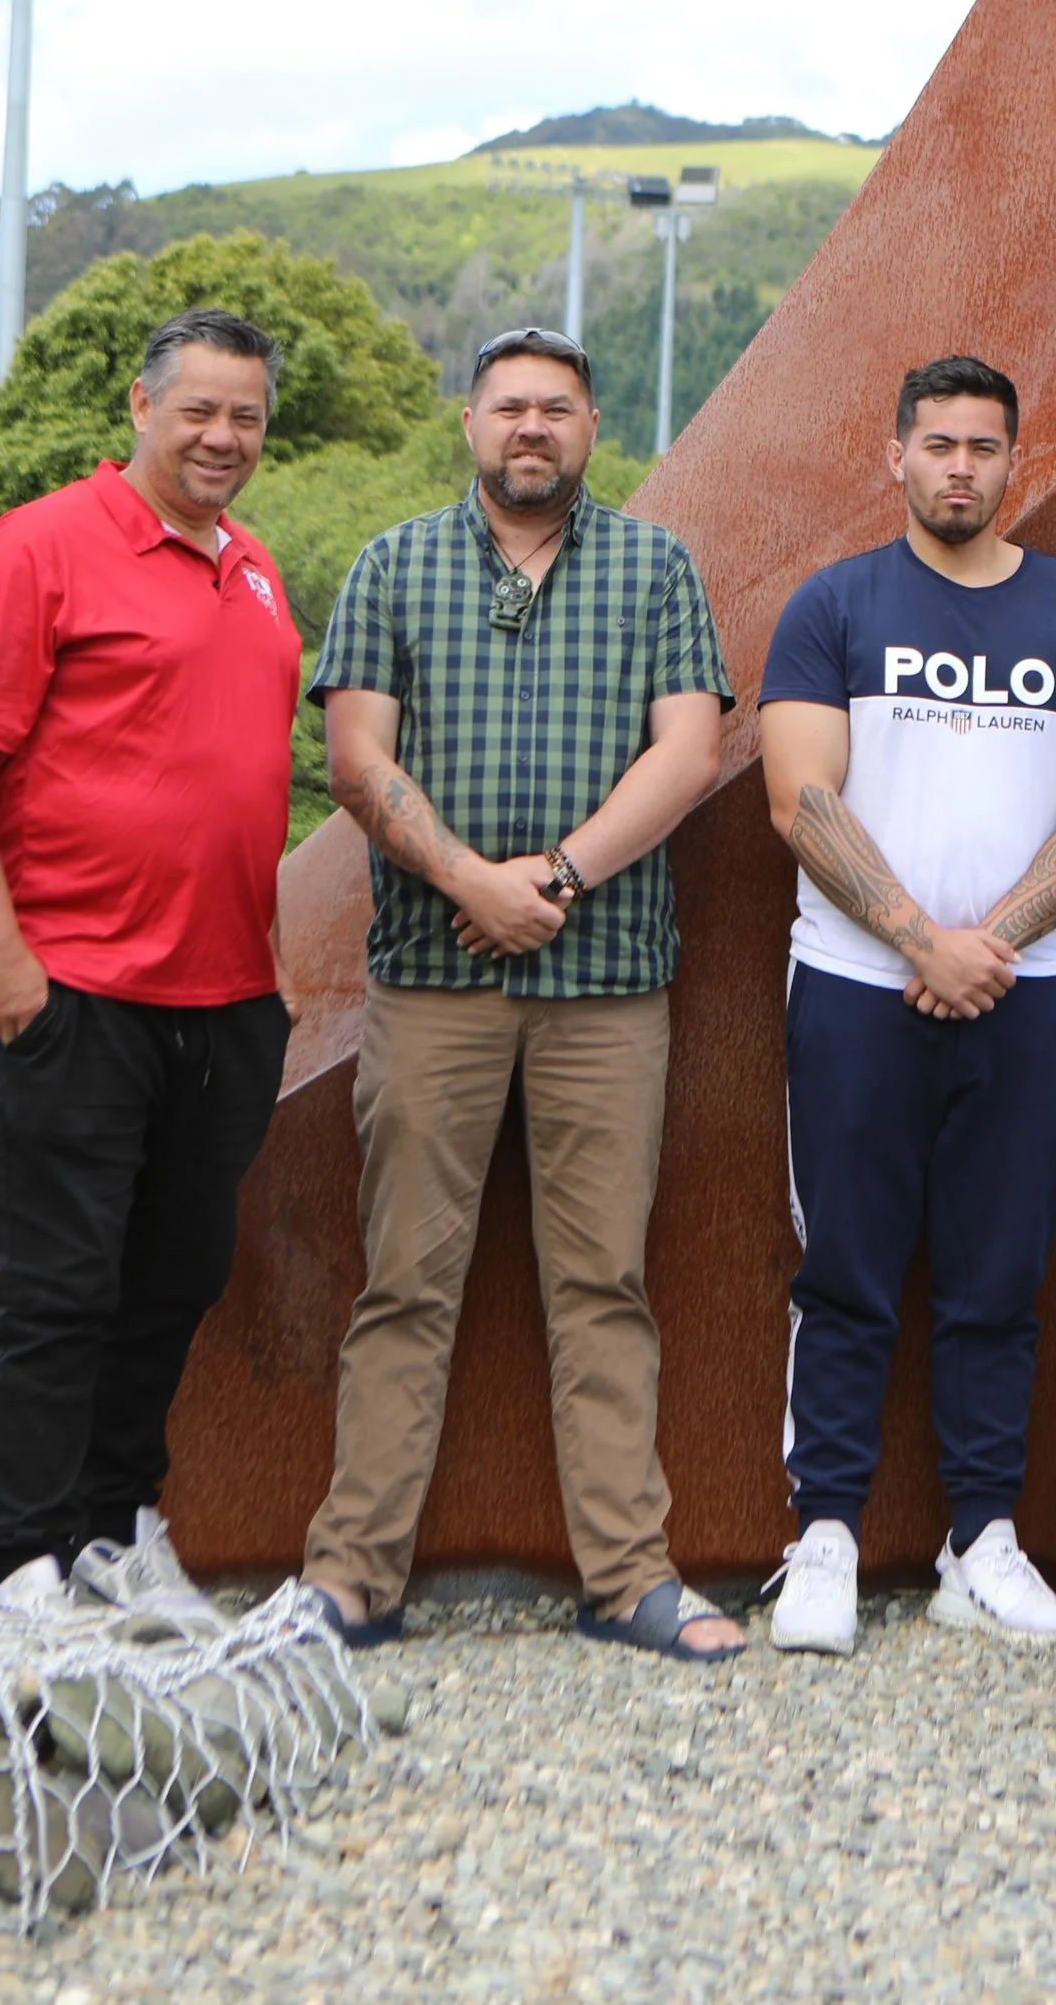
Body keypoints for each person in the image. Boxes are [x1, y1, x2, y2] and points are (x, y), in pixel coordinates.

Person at [302, 327, 743, 1660]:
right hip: (433, 980)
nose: (532, 427)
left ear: (593, 427)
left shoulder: (656, 567)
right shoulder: (395, 563)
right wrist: (465, 880)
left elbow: (690, 749)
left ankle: (628, 1576)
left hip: (606, 984)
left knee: (603, 1283)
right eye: (510, 407)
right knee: (403, 1282)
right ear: (471, 423)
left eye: (557, 407)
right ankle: (350, 1578)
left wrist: (552, 876)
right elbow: (355, 757)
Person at [759, 353, 1056, 1656]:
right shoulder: (834, 603)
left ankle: (981, 1543)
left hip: (1025, 997)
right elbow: (798, 798)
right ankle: (824, 1536)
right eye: (939, 444)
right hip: (857, 987)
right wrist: (924, 940)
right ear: (897, 455)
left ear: (1014, 460)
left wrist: (993, 943)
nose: (960, 467)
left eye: (984, 446)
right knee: (845, 1270)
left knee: (1000, 1275)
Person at [0, 305, 299, 1612]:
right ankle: (23, 1555)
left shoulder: (252, 565)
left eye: (246, 416)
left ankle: (111, 1525)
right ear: (142, 407)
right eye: (198, 409)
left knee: (174, 1277)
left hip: (225, 997)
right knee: (59, 1281)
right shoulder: (35, 546)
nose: (222, 436)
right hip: (71, 985)